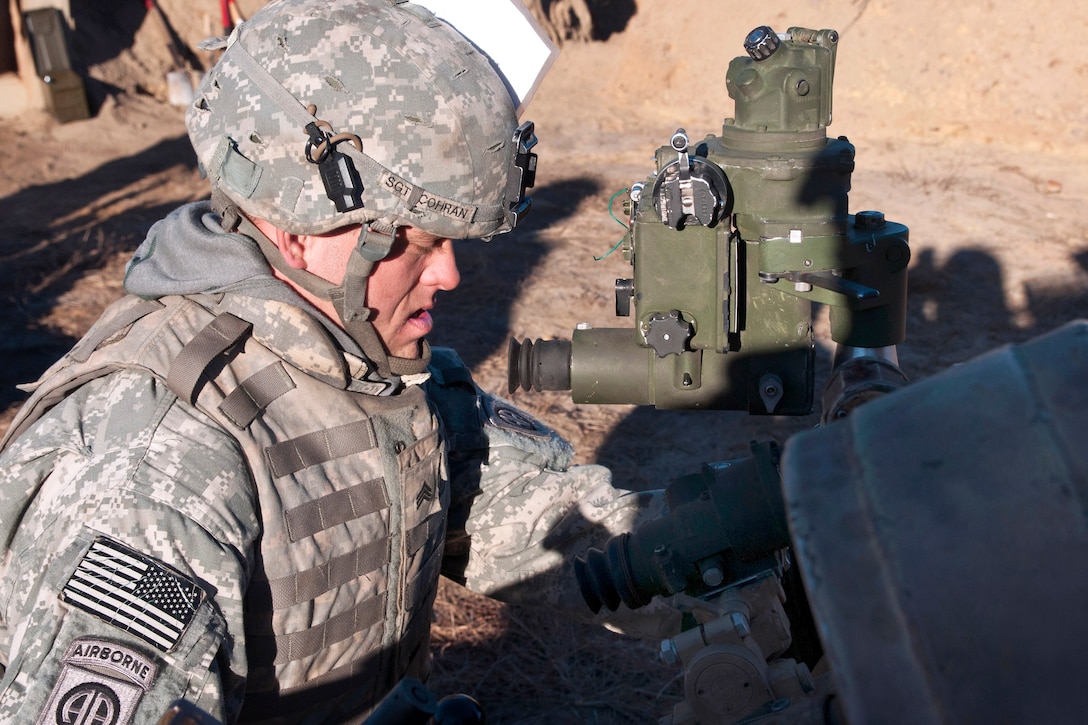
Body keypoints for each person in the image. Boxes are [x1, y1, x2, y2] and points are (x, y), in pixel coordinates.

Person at [0, 1, 676, 723]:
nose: (447, 274)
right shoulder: (160, 467)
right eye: (414, 243)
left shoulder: (371, 368)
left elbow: (554, 524)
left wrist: (744, 538)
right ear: (299, 230)